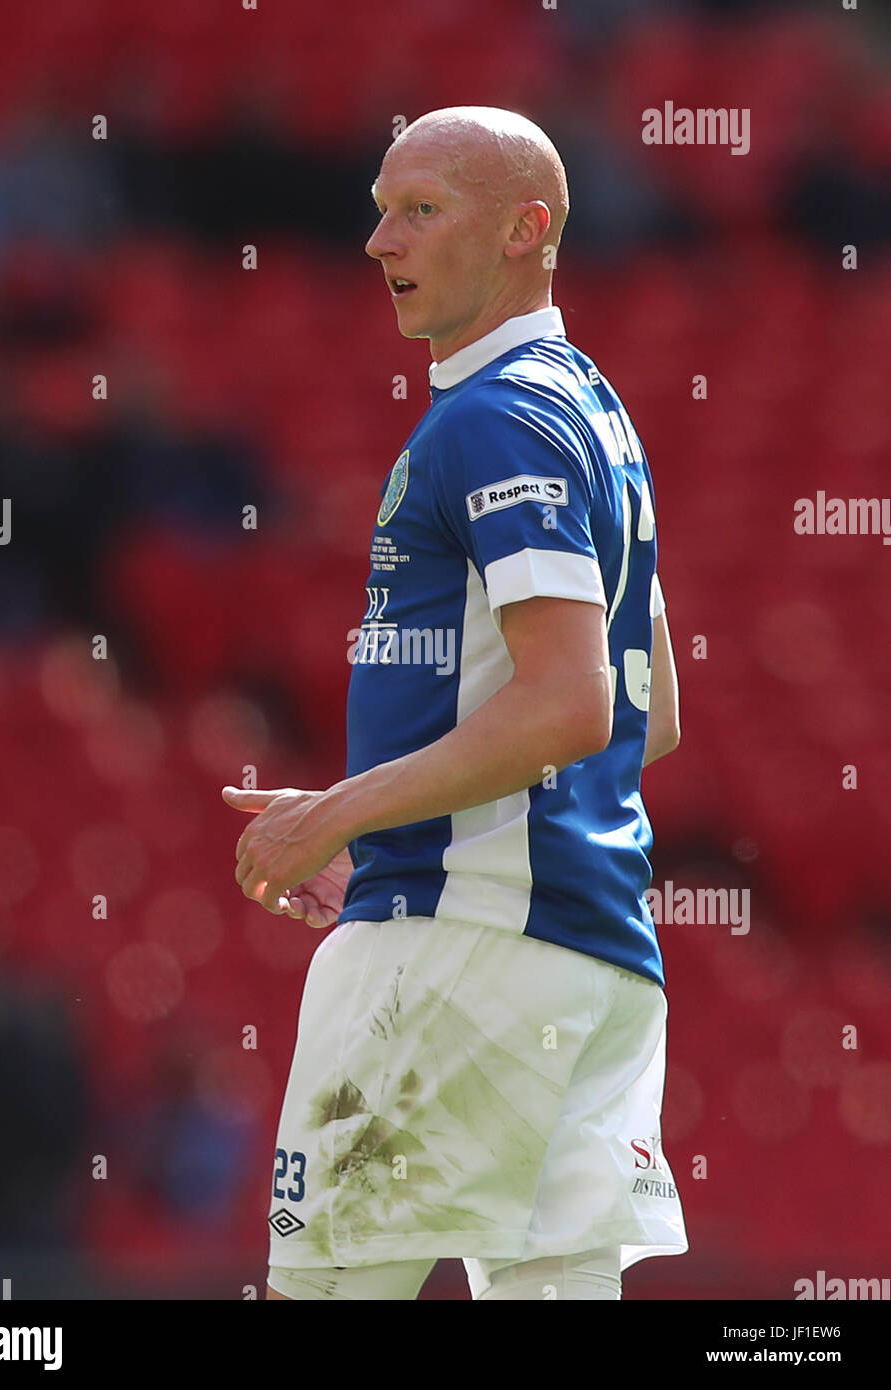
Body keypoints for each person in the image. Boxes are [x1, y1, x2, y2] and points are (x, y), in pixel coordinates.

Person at [222, 105, 688, 1301]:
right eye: (381, 207)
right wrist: (380, 815)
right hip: (596, 965)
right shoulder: (595, 413)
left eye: (420, 210)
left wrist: (340, 819)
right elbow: (652, 716)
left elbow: (569, 710)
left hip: (461, 946)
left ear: (527, 231)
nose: (378, 239)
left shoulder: (492, 417)